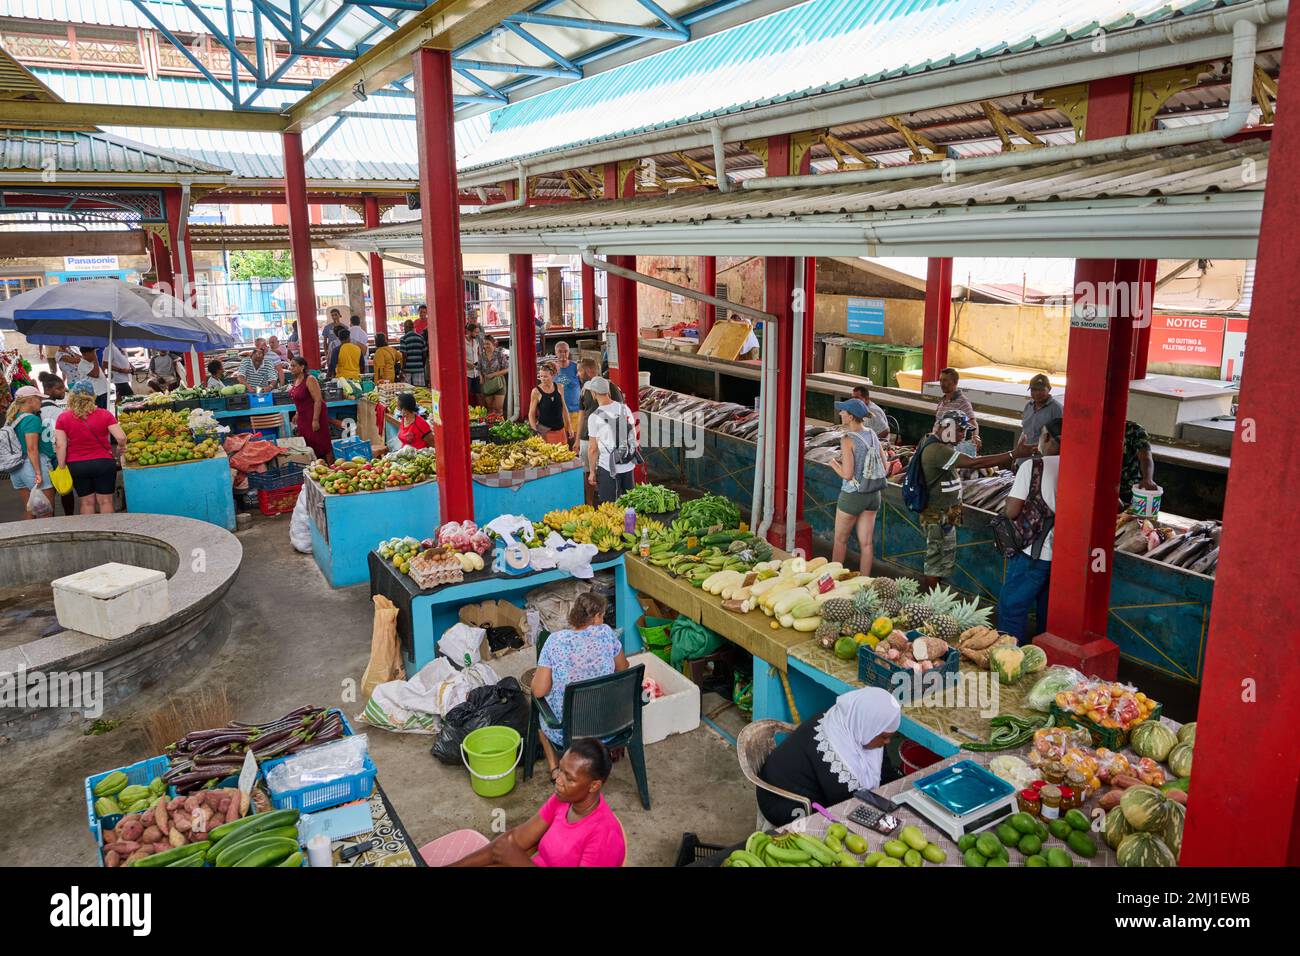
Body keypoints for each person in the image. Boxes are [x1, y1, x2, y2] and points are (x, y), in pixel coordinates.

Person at [451, 739, 626, 868]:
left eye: (569, 778)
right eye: (560, 769)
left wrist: (519, 861)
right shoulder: (563, 800)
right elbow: (515, 839)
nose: (558, 780)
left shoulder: (604, 837)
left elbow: (513, 853)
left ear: (594, 785)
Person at [757, 688, 902, 827]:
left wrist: (900, 794)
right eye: (884, 737)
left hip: (814, 787)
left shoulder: (853, 723)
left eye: (890, 737)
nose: (887, 742)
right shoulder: (832, 753)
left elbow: (885, 771)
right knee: (845, 828)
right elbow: (845, 804)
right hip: (782, 799)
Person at [918, 410, 1020, 590]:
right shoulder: (937, 450)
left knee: (943, 561)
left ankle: (935, 595)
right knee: (935, 562)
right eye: (960, 430)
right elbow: (974, 463)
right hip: (937, 515)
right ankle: (929, 600)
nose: (963, 435)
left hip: (946, 514)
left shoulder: (943, 446)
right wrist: (1013, 454)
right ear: (947, 428)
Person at [531, 592, 628, 772]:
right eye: (602, 616)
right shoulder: (607, 634)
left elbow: (539, 691)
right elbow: (623, 667)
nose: (603, 620)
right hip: (609, 726)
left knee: (540, 719)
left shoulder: (555, 641)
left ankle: (554, 768)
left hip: (568, 734)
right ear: (596, 617)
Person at [997, 419, 1061, 643]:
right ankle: (1042, 656)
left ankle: (1010, 655)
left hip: (1033, 553)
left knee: (1011, 607)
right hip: (1063, 558)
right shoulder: (1082, 468)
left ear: (1047, 438)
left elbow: (1012, 511)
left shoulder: (1034, 467)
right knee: (1048, 614)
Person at [830, 398, 888, 577]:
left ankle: (834, 581)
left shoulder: (848, 439)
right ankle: (864, 582)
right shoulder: (872, 434)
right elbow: (885, 467)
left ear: (851, 416)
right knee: (867, 544)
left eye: (843, 411)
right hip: (873, 495)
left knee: (840, 540)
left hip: (852, 496)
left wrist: (833, 463)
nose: (840, 413)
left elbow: (847, 474)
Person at [55, 381, 127, 515]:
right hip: (103, 462)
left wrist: (62, 466)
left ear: (72, 396)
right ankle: (109, 527)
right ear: (93, 395)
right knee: (106, 501)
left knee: (86, 502)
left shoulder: (63, 418)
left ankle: (89, 528)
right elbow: (121, 437)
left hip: (76, 464)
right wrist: (120, 448)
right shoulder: (104, 414)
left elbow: (60, 444)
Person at [585, 376, 637, 504]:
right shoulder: (625, 408)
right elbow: (633, 435)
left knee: (609, 508)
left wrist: (592, 472)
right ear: (608, 391)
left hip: (608, 468)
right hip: (628, 465)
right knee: (630, 505)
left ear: (594, 393)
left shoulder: (594, 417)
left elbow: (592, 449)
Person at [6, 385, 56, 518]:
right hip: (33, 467)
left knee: (30, 509)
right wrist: (38, 472)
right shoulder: (31, 419)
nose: (41, 402)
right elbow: (32, 448)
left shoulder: (11, 419)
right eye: (39, 399)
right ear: (30, 400)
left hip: (16, 468)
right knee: (46, 512)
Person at [36, 373, 76, 515]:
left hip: (42, 456)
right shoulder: (60, 412)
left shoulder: (36, 411)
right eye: (59, 388)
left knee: (48, 492)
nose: (63, 390)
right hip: (59, 455)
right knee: (66, 488)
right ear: (47, 390)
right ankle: (69, 517)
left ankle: (51, 520)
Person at [286, 355, 331, 463]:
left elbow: (318, 400)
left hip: (314, 414)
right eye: (290, 366)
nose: (290, 368)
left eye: (293, 366)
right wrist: (297, 413)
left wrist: (315, 420)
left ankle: (331, 465)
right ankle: (316, 466)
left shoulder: (310, 379)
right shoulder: (296, 380)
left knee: (322, 443)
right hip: (303, 417)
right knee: (308, 442)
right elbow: (300, 400)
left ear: (302, 367)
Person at [1011, 373, 1063, 464]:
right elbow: (1024, 431)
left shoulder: (1057, 409)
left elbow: (1059, 440)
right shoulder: (1028, 406)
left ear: (1049, 389)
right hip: (1022, 459)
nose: (1037, 393)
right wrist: (1016, 456)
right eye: (1034, 390)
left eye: (1041, 390)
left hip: (1041, 462)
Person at [934, 367, 980, 448]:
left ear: (955, 382)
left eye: (945, 380)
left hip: (951, 448)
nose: (942, 384)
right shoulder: (942, 401)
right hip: (936, 445)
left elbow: (972, 422)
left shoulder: (962, 402)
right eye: (940, 380)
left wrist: (975, 436)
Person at [529, 362, 573, 447]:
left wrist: (569, 426)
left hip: (560, 430)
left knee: (563, 453)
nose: (542, 379)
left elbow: (564, 408)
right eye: (541, 376)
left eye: (545, 376)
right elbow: (531, 414)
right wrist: (535, 431)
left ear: (552, 375)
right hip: (543, 431)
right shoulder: (536, 391)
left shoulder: (560, 387)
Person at [1119, 419, 1157, 510]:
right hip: (1102, 489)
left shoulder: (1135, 430)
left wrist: (1147, 479)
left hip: (1131, 489)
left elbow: (1146, 458)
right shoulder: (1096, 429)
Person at [552, 341, 582, 434]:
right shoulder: (552, 369)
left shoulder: (576, 367)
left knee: (575, 438)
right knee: (561, 439)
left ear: (569, 352)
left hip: (575, 411)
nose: (563, 354)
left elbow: (584, 385)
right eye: (560, 351)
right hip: (558, 412)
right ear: (555, 352)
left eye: (565, 351)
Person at [478, 335, 508, 414]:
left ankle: (500, 421)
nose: (486, 346)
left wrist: (494, 374)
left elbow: (507, 369)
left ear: (493, 344)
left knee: (499, 408)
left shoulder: (499, 354)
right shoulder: (482, 356)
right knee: (490, 408)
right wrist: (481, 377)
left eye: (488, 344)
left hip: (499, 383)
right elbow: (479, 369)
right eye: (484, 344)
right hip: (487, 383)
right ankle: (491, 422)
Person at [399, 319, 428, 386]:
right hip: (419, 368)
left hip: (407, 369)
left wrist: (402, 369)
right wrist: (422, 365)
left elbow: (404, 355)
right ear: (413, 327)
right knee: (419, 389)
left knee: (407, 389)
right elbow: (424, 354)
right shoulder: (421, 338)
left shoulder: (403, 339)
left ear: (405, 328)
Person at [464, 322, 482, 405]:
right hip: (467, 373)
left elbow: (478, 354)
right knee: (466, 394)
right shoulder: (463, 341)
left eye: (477, 332)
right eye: (475, 332)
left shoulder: (476, 341)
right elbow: (459, 357)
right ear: (469, 331)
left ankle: (480, 410)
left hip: (476, 372)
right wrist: (467, 364)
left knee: (479, 393)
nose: (477, 334)